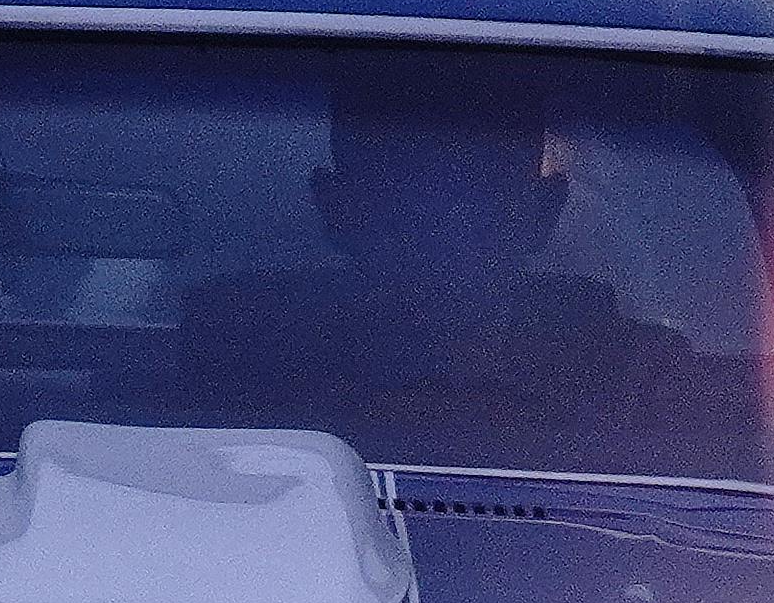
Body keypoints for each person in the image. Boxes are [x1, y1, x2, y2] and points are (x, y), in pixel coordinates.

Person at [175, 69, 721, 454]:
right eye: (402, 190)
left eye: (473, 192)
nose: (436, 224)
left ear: (541, 212)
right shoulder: (234, 369)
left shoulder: (641, 384)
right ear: (338, 207)